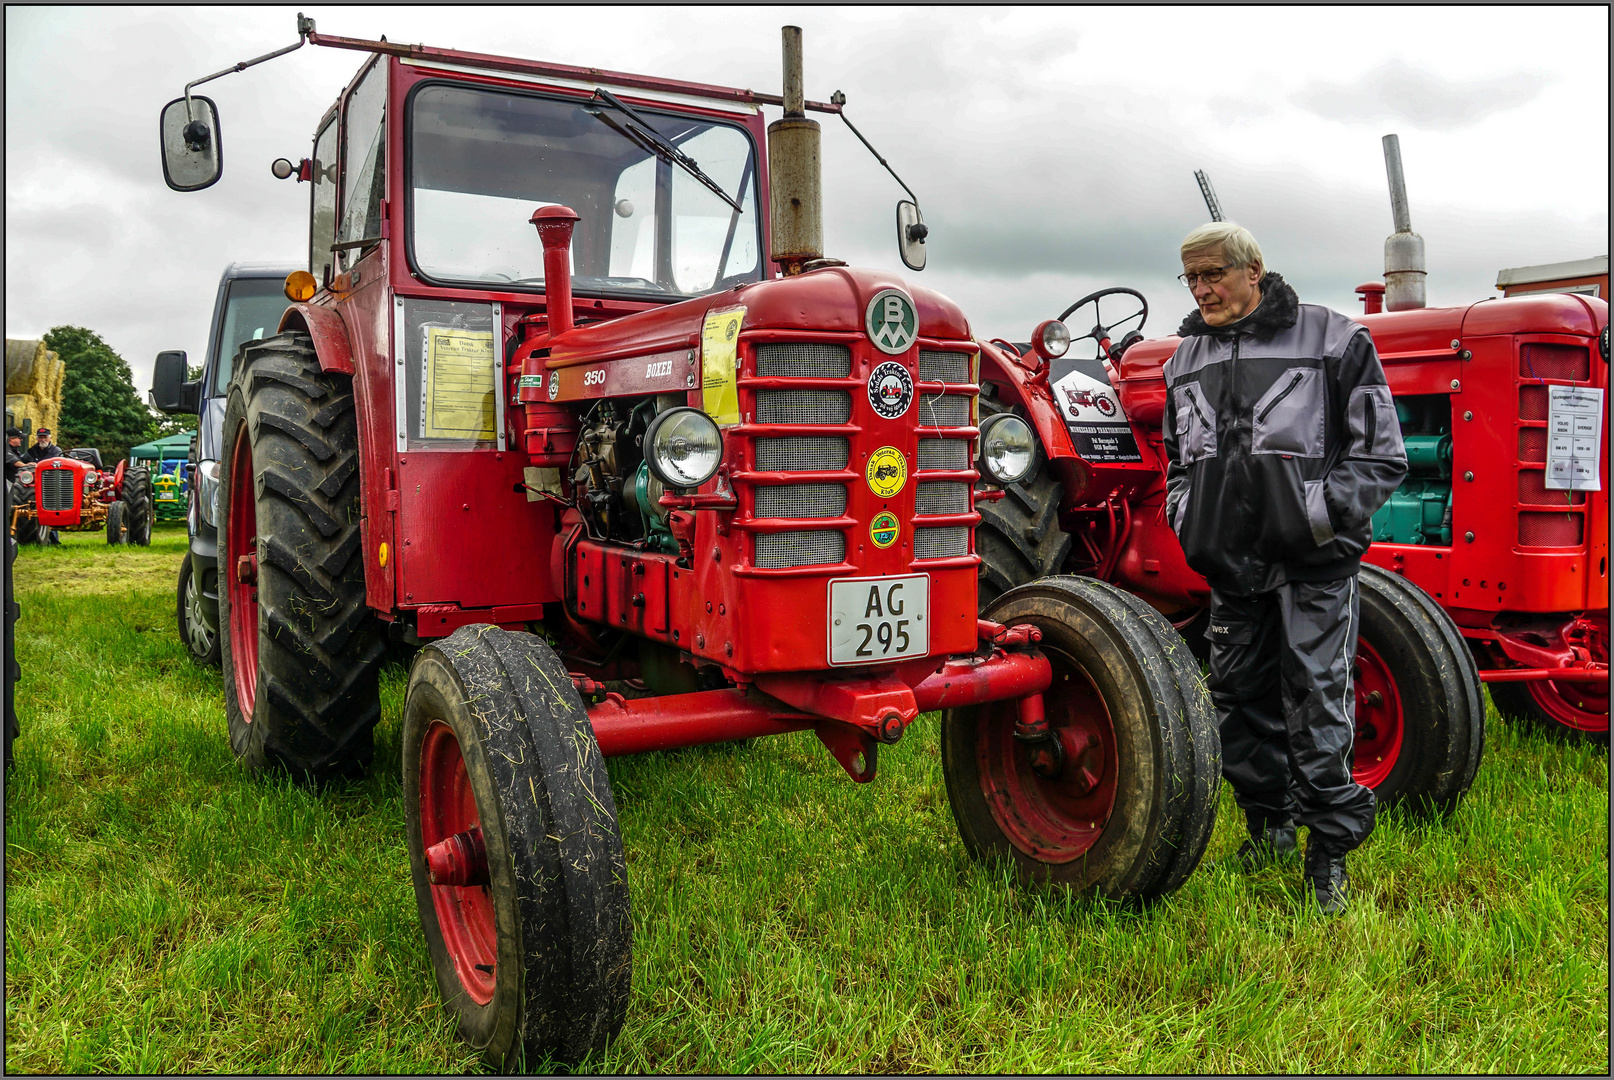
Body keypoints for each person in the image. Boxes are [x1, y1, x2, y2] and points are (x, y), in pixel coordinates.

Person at [1161, 222, 1407, 915]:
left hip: (1311, 565)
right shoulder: (1185, 359)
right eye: (1192, 278)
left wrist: (1316, 517)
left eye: (1213, 274)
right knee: (1240, 702)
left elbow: (1381, 455)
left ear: (1254, 271)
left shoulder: (1333, 340)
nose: (1202, 289)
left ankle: (1327, 855)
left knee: (1316, 700)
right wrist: (1190, 520)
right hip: (1230, 567)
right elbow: (1178, 462)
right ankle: (1268, 827)